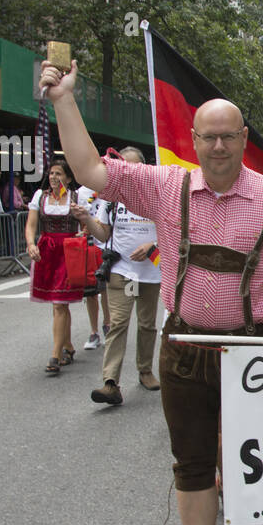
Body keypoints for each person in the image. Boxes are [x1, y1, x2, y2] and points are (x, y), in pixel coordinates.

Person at [42, 58, 263, 525]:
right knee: (191, 460)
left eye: (229, 136)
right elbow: (89, 170)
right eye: (209, 136)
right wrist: (64, 101)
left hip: (255, 352)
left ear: (244, 139)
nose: (219, 146)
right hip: (185, 347)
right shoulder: (163, 186)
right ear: (193, 140)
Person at [73, 147, 162, 406]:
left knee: (147, 324)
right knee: (119, 323)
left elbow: (174, 230)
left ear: (143, 169)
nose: (128, 171)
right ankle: (110, 382)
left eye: (133, 166)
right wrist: (87, 219)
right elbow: (103, 234)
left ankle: (145, 371)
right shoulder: (112, 199)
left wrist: (152, 246)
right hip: (122, 271)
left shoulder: (157, 196)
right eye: (123, 165)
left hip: (150, 273)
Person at [25, 160, 85, 374]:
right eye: (51, 173)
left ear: (68, 178)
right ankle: (67, 346)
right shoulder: (39, 197)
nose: (53, 177)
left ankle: (55, 355)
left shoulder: (78, 198)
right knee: (59, 304)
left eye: (58, 173)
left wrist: (83, 232)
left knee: (60, 304)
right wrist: (31, 244)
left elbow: (87, 224)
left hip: (69, 252)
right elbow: (31, 224)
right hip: (47, 251)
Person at [76, 180, 109, 350]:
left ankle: (108, 325)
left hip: (107, 245)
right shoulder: (80, 193)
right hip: (88, 245)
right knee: (91, 292)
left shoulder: (108, 186)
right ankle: (94, 331)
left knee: (106, 289)